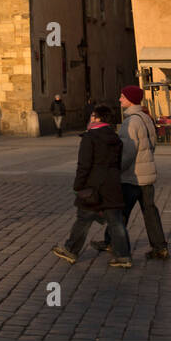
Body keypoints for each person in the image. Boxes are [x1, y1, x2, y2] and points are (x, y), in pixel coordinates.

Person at [93, 86, 169, 260]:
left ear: (130, 99)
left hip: (132, 176)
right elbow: (152, 144)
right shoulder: (146, 118)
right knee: (150, 211)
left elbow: (126, 152)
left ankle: (112, 243)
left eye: (122, 96)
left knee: (119, 212)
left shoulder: (130, 122)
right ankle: (160, 246)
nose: (119, 99)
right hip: (147, 173)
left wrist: (115, 170)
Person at [51, 104, 131, 268]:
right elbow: (118, 162)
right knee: (116, 221)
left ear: (97, 118)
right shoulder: (115, 138)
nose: (90, 119)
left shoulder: (90, 137)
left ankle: (71, 249)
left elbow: (84, 165)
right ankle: (123, 256)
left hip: (93, 186)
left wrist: (78, 185)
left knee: (84, 218)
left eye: (92, 116)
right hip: (112, 184)